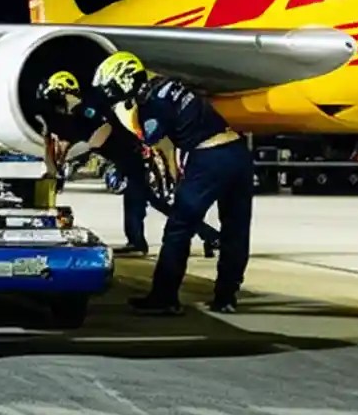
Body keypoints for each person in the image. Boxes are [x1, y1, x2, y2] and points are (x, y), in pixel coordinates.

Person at [93, 51, 253, 315]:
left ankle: (164, 298)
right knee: (236, 229)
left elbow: (147, 137)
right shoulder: (167, 85)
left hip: (209, 159)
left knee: (179, 229)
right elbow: (170, 143)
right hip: (237, 153)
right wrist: (174, 173)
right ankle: (226, 297)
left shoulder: (151, 103)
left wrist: (123, 112)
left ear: (122, 81)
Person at [33, 70, 220, 257]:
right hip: (127, 163)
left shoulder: (91, 109)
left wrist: (62, 133)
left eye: (57, 99)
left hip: (136, 159)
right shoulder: (74, 120)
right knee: (153, 203)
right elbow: (60, 154)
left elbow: (98, 134)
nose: (56, 107)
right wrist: (47, 138)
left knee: (148, 202)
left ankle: (141, 243)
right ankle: (207, 236)